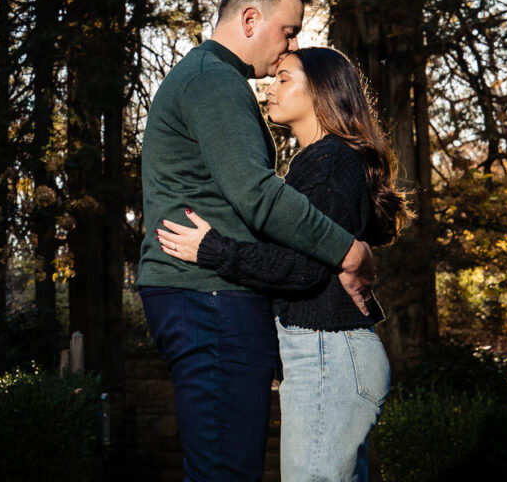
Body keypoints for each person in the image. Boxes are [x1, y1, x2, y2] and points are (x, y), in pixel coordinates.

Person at [137, 0, 376, 482]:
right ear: (251, 19)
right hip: (210, 298)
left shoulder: (209, 78)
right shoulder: (214, 82)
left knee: (224, 465)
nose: (292, 44)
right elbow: (258, 194)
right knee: (225, 470)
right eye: (289, 31)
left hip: (211, 294)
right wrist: (348, 252)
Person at [156, 47, 412, 482]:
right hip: (327, 354)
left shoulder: (331, 161)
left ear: (321, 92)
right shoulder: (321, 161)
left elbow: (304, 268)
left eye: (284, 79)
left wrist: (212, 249)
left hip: (330, 355)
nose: (269, 90)